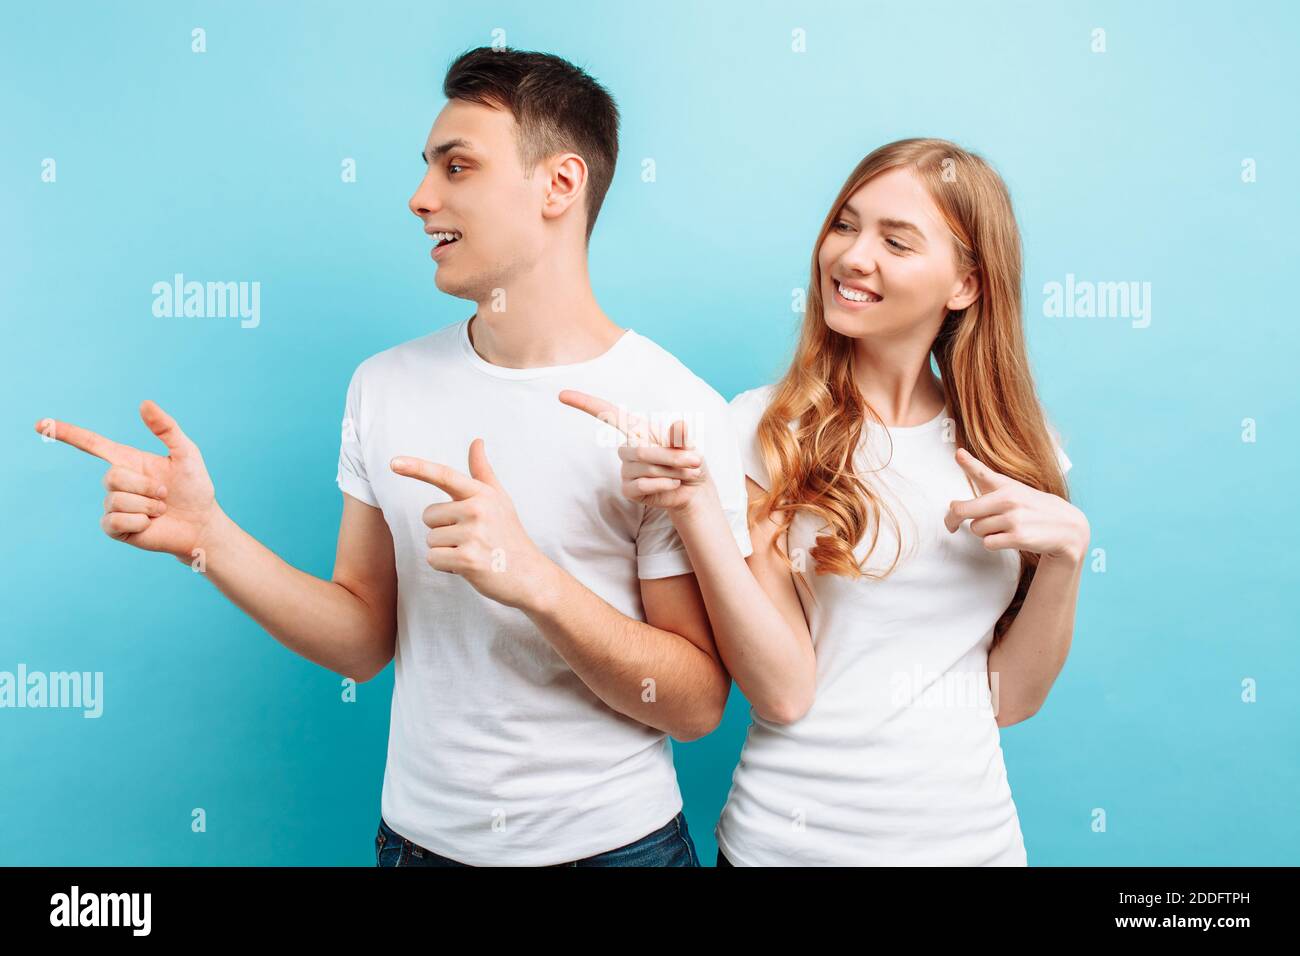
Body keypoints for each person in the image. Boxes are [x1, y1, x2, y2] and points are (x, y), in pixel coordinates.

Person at [34, 47, 752, 868]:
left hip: (615, 851)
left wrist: (538, 584)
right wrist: (208, 537)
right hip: (415, 848)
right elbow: (362, 639)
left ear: (560, 184)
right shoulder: (385, 386)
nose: (421, 199)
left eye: (458, 167)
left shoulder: (671, 408)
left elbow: (694, 704)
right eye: (426, 169)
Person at [562, 138, 1089, 866]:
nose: (850, 257)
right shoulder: (759, 429)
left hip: (976, 848)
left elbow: (1011, 700)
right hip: (786, 847)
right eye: (846, 224)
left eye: (895, 241)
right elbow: (781, 693)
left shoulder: (1021, 452)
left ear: (965, 283)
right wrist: (695, 511)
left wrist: (1066, 561)